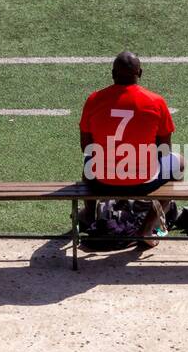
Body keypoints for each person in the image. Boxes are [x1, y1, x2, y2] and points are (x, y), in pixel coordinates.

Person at [78, 51, 182, 248]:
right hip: (142, 182)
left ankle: (90, 214)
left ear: (112, 73)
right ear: (140, 73)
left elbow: (86, 147)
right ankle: (148, 227)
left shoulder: (94, 100)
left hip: (102, 181)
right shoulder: (156, 101)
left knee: (89, 163)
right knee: (181, 163)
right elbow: (165, 149)